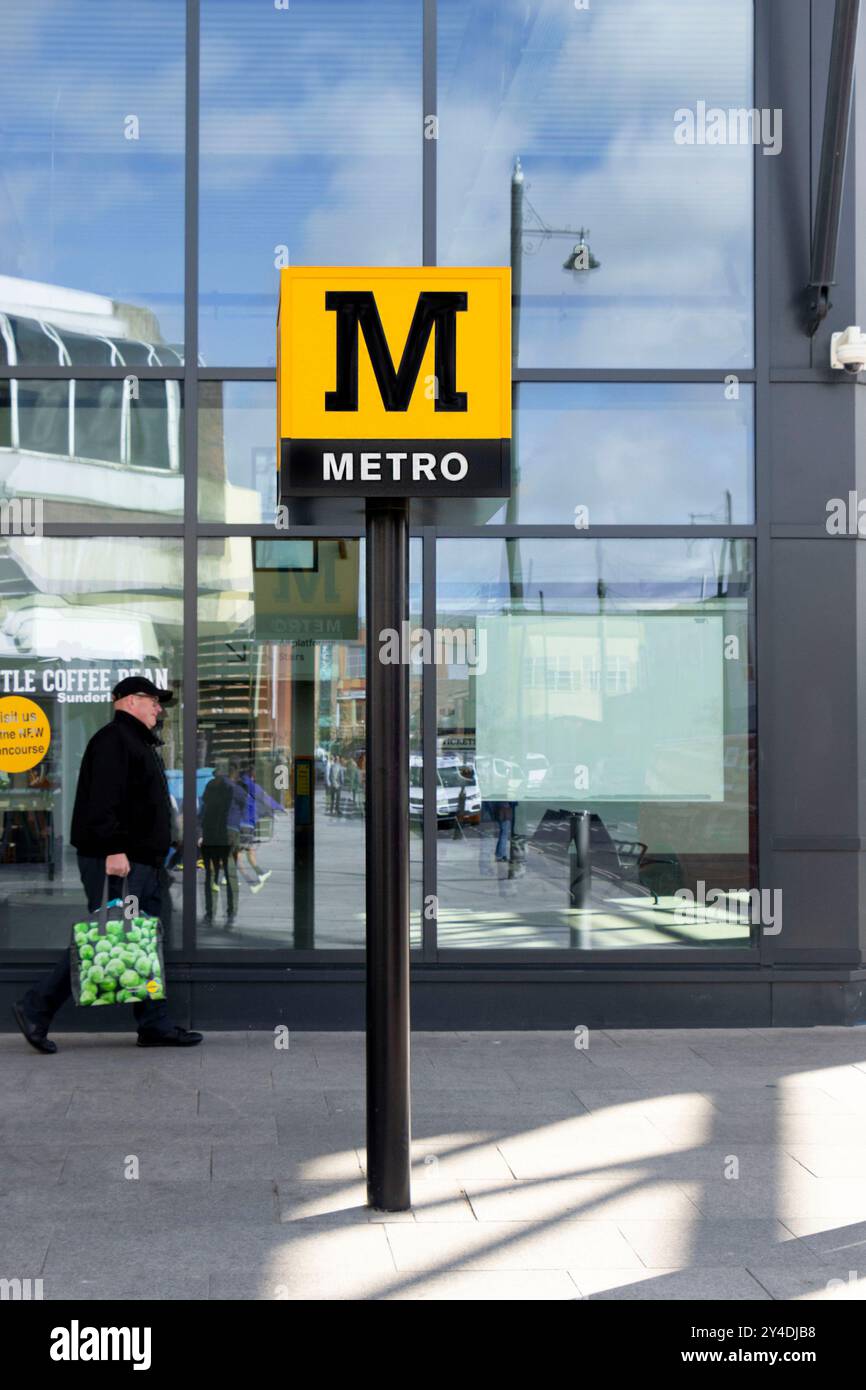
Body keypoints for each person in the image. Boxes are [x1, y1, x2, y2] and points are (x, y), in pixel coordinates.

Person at [12, 676, 203, 1053]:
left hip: (140, 863)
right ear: (131, 701)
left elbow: (139, 804)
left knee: (142, 939)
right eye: (154, 701)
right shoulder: (114, 741)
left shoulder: (134, 742)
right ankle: (36, 1007)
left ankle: (153, 1024)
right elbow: (102, 803)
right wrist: (116, 850)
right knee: (107, 938)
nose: (159, 708)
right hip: (120, 863)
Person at [199, 761, 241, 929]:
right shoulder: (233, 788)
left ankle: (211, 914)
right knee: (229, 874)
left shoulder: (211, 787)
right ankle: (230, 913)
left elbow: (203, 808)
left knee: (211, 875)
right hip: (226, 833)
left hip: (213, 833)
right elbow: (242, 807)